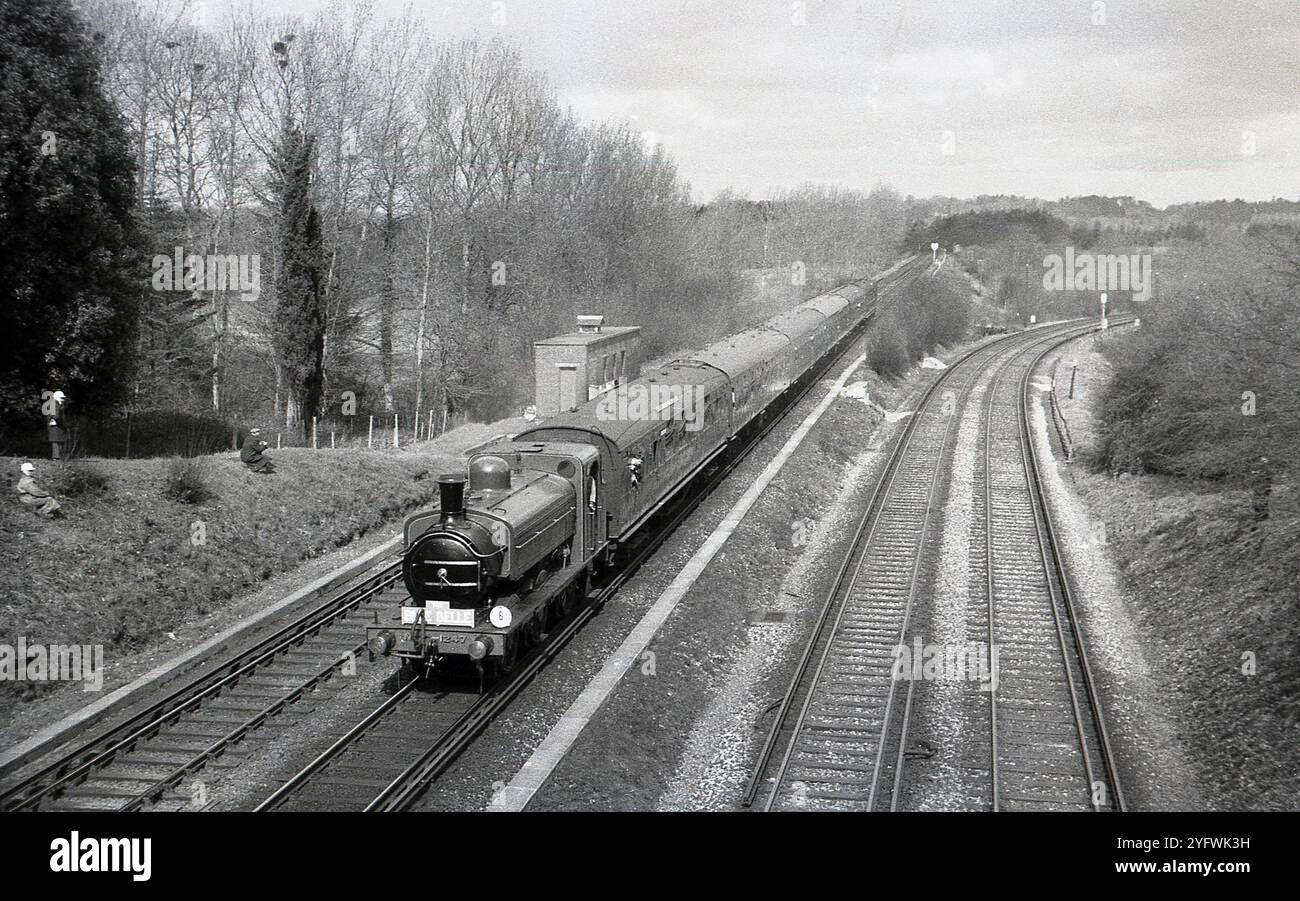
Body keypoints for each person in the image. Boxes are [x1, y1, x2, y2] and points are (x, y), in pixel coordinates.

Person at [46, 389, 69, 460]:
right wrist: (60, 422)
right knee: (56, 442)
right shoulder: (54, 404)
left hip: (59, 426)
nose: (63, 399)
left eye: (63, 398)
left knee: (60, 441)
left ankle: (60, 457)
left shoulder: (57, 404)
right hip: (57, 426)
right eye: (61, 398)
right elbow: (56, 416)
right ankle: (56, 457)